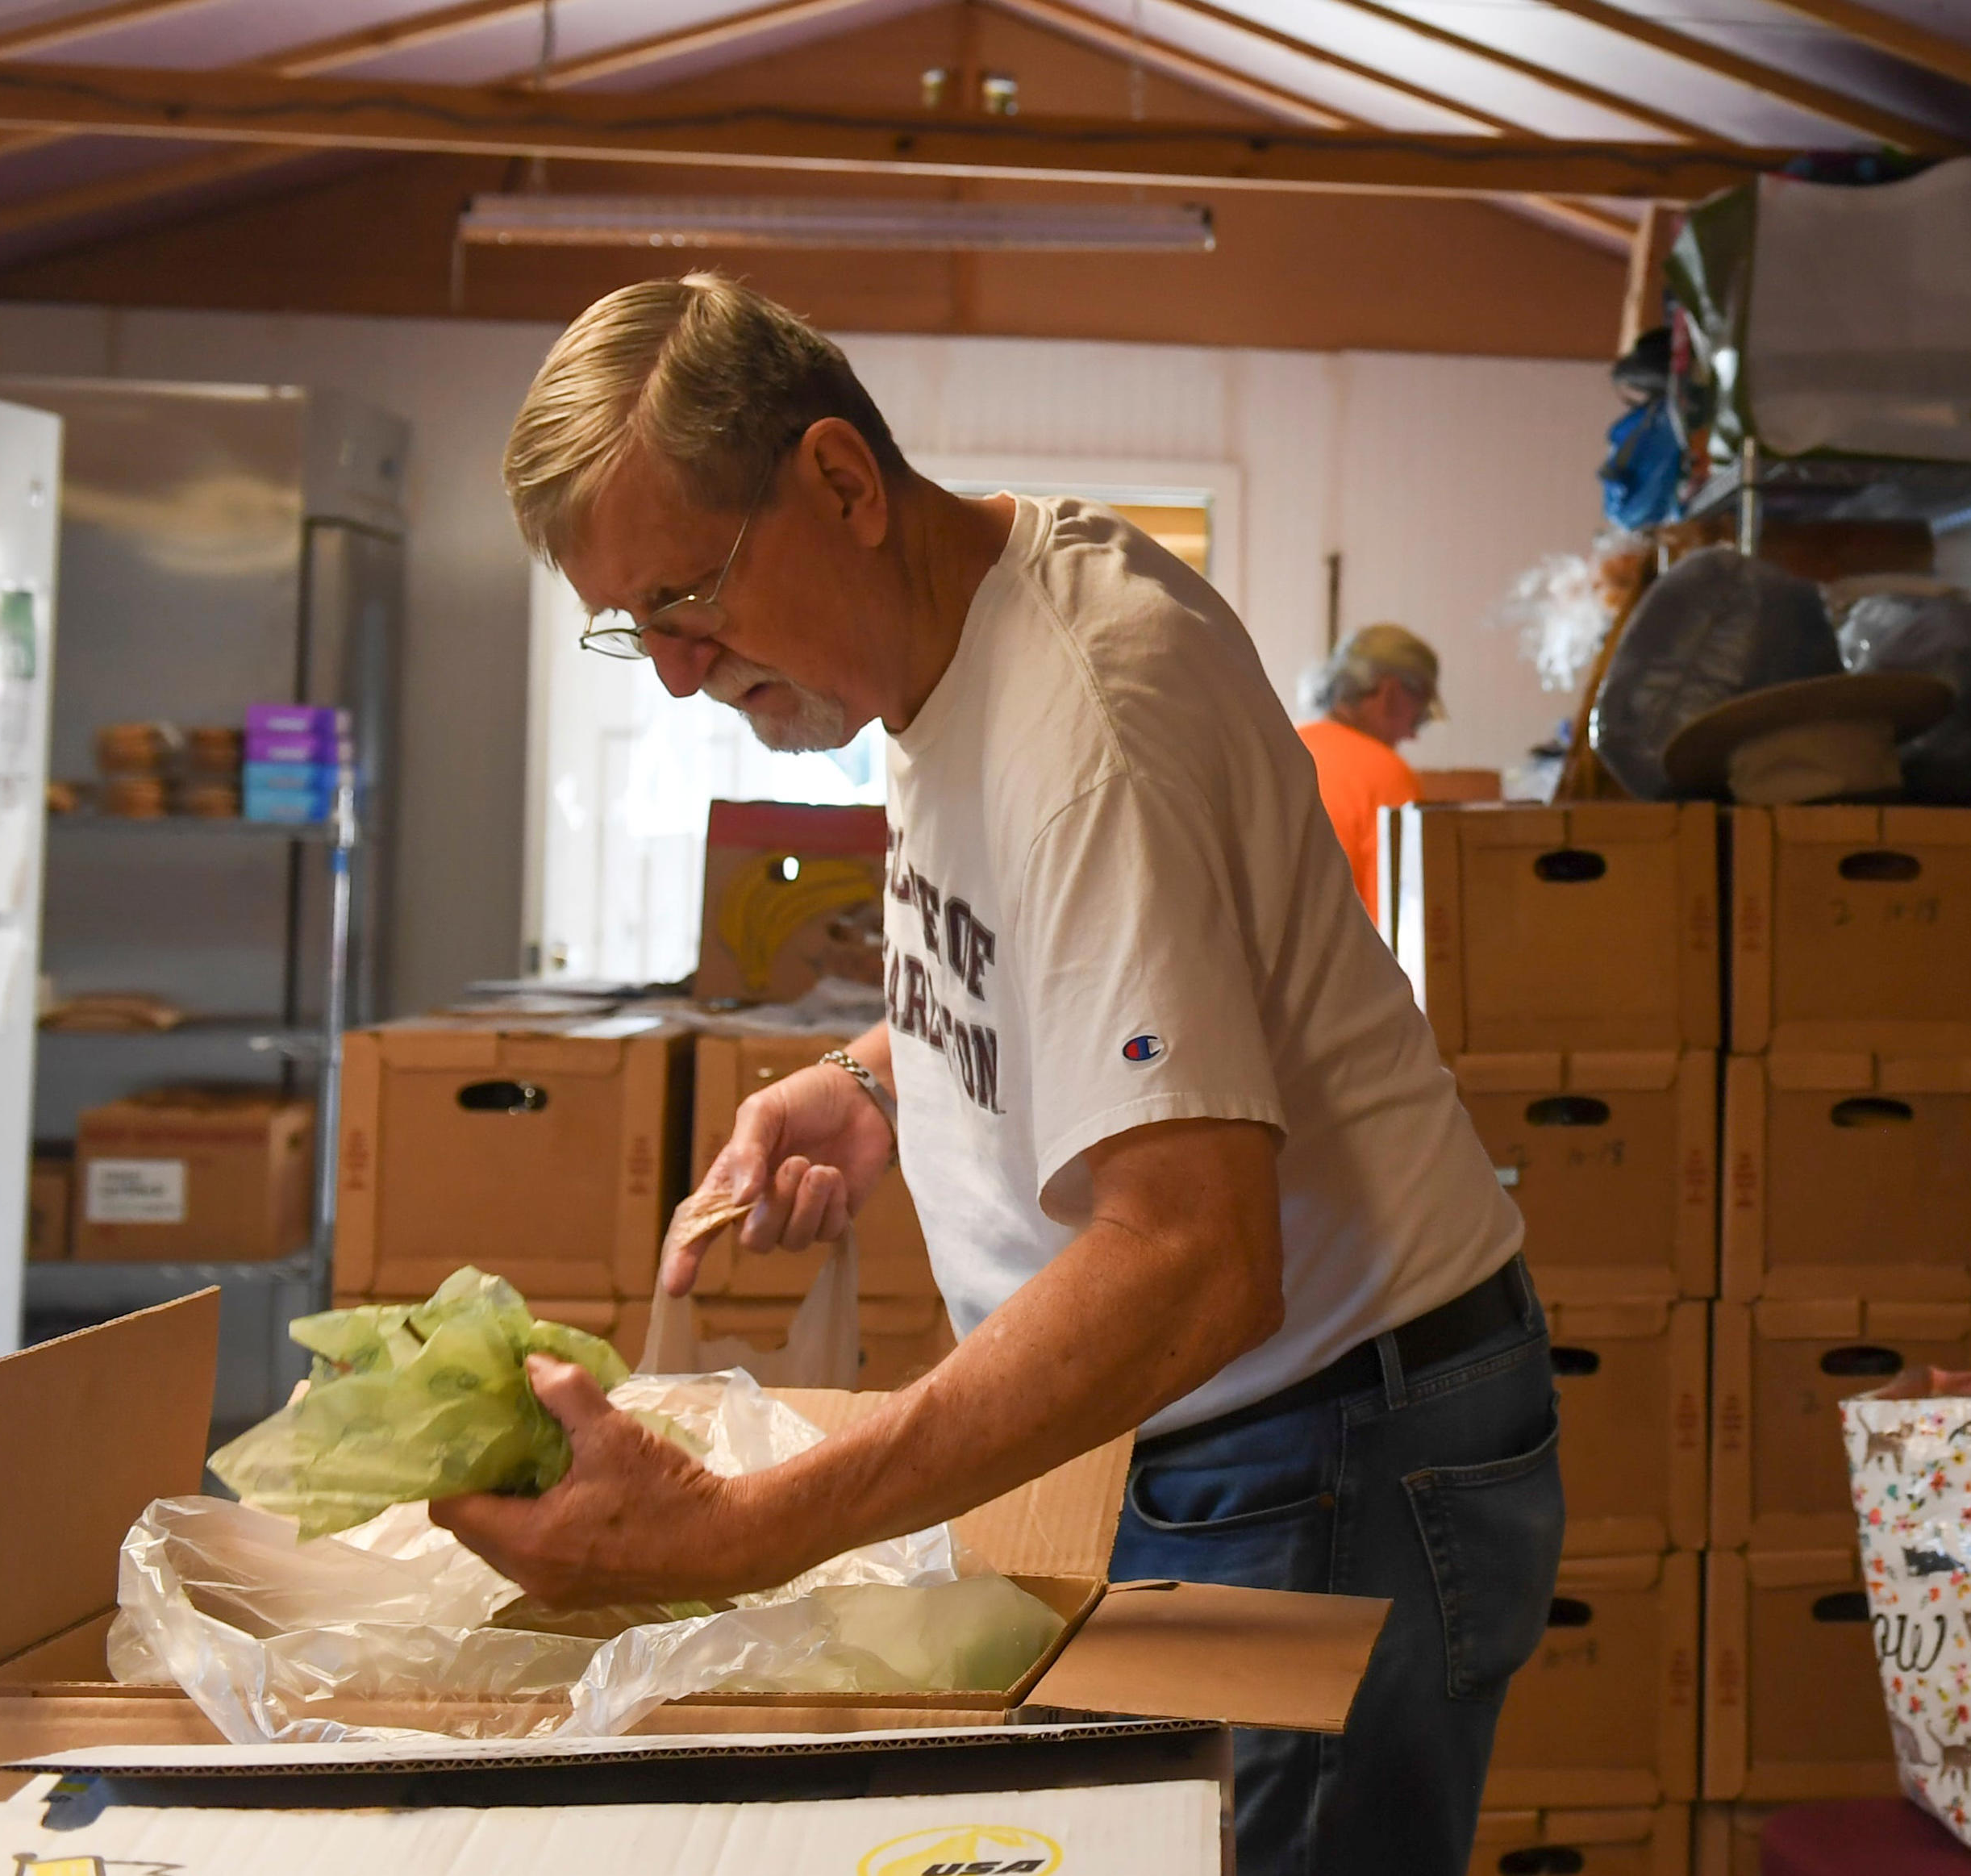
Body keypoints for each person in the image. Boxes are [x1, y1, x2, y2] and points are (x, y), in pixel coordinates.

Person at [440, 274, 1556, 1876]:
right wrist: (875, 1076)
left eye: (687, 597)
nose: (680, 672)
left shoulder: (1082, 712)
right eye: (637, 630)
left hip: (1324, 1445)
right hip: (1244, 1432)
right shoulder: (935, 647)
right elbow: (1075, 968)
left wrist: (755, 1525)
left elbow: (1195, 1256)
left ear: (840, 482)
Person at [1297, 623, 1438, 912]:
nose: (1413, 735)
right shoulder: (1386, 775)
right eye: (1418, 717)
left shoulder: (1284, 746)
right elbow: (1395, 921)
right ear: (1390, 694)